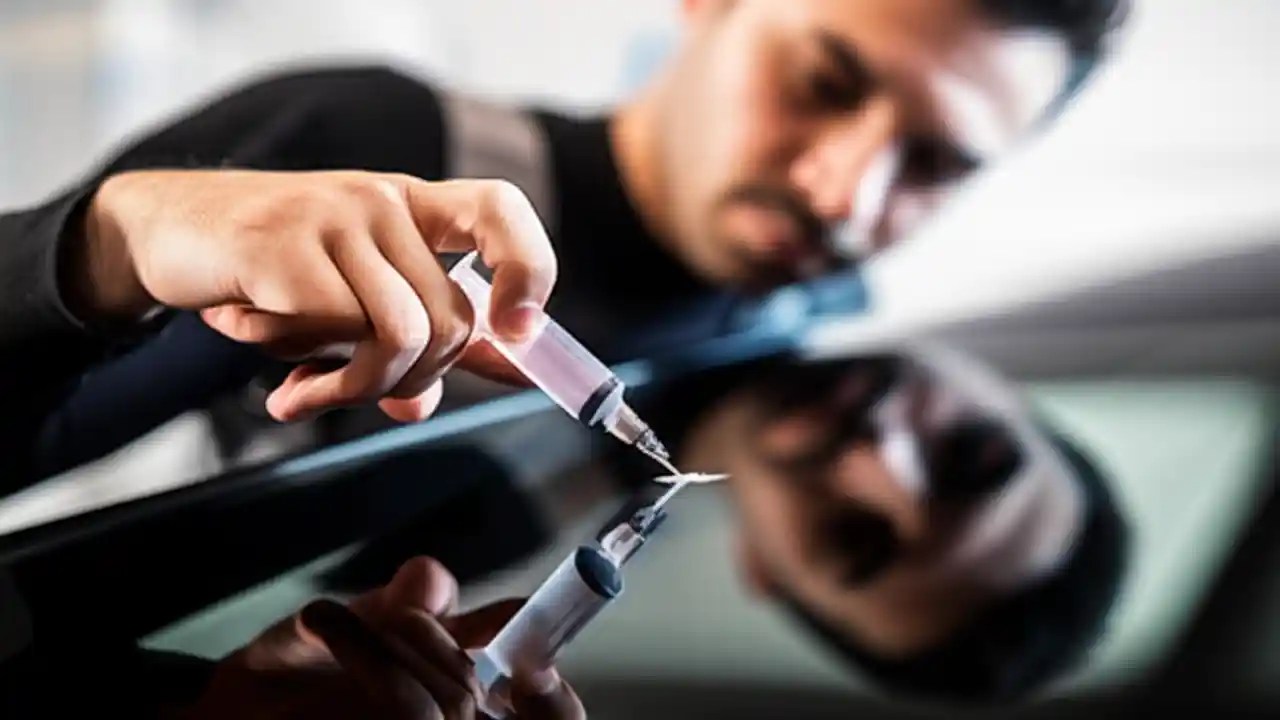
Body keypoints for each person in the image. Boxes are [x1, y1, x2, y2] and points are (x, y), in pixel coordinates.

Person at [0, 0, 1130, 487]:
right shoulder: (376, 146)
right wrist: (108, 249)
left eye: (934, 163)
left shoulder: (817, 328)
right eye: (820, 81)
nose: (842, 195)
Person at [607, 348, 1128, 703]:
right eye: (967, 456)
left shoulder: (537, 502)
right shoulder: (830, 212)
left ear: (765, 571)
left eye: (855, 537)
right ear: (1003, 388)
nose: (878, 459)